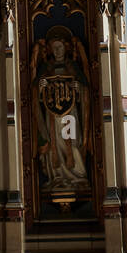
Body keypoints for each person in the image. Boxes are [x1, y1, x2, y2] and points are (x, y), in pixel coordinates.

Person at [31, 26, 91, 191]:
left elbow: (85, 89)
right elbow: (35, 92)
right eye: (54, 47)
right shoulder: (46, 68)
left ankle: (76, 175)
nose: (57, 50)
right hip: (52, 115)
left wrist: (78, 88)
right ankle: (58, 176)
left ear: (66, 47)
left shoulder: (72, 66)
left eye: (60, 47)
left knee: (71, 141)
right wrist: (41, 86)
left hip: (70, 114)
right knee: (55, 143)